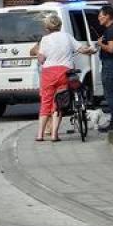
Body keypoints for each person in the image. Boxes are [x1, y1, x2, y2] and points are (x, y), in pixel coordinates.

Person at [30, 14, 78, 142]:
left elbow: (41, 59)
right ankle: (54, 135)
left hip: (48, 74)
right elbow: (81, 48)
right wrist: (90, 50)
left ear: (47, 28)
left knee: (45, 103)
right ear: (60, 25)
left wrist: (38, 54)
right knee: (59, 103)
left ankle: (40, 135)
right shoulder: (67, 37)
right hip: (64, 73)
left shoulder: (45, 40)